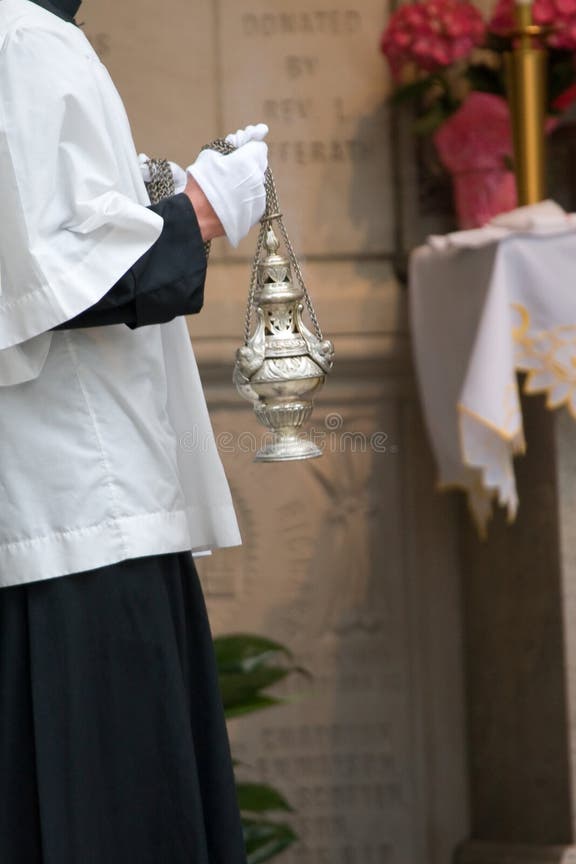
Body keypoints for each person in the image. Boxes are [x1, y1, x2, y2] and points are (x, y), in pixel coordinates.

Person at [0, 0, 269, 861]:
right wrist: (201, 208)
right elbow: (62, 276)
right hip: (77, 520)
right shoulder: (22, 36)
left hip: (66, 514)